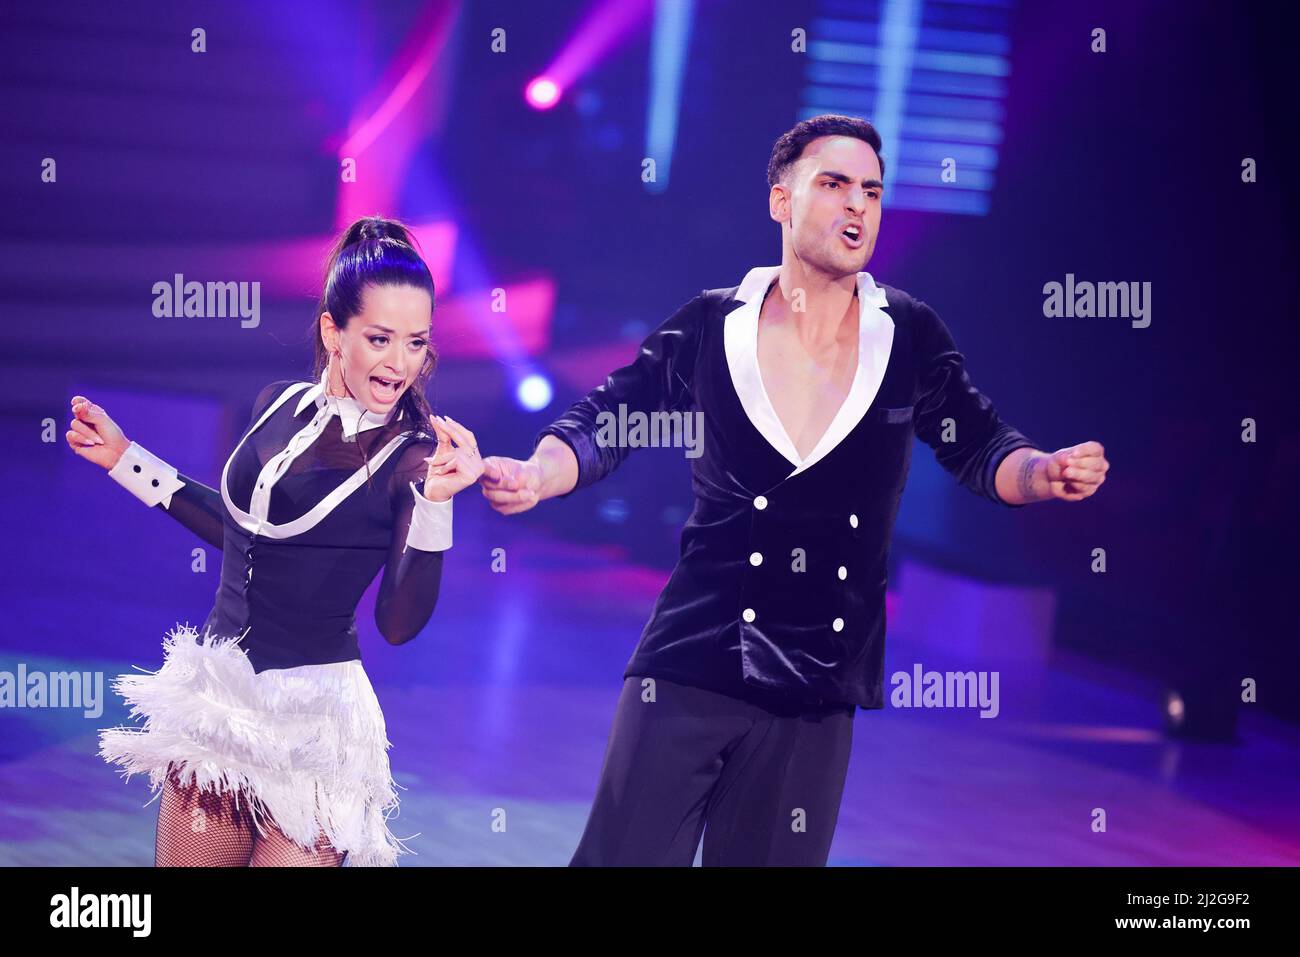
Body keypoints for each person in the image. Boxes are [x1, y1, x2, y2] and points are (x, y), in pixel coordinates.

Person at [478, 114, 1109, 866]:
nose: (857, 207)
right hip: (692, 661)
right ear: (781, 200)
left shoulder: (906, 335)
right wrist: (536, 475)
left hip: (818, 682)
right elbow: (611, 418)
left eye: (871, 192)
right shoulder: (714, 325)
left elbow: (978, 443)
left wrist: (1044, 472)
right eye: (834, 185)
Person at [69, 216, 485, 867]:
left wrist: (437, 507)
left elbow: (398, 623)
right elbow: (242, 531)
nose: (400, 363)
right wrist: (127, 460)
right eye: (380, 338)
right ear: (332, 330)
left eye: (416, 343)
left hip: (314, 731)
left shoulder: (413, 456)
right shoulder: (275, 403)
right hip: (220, 706)